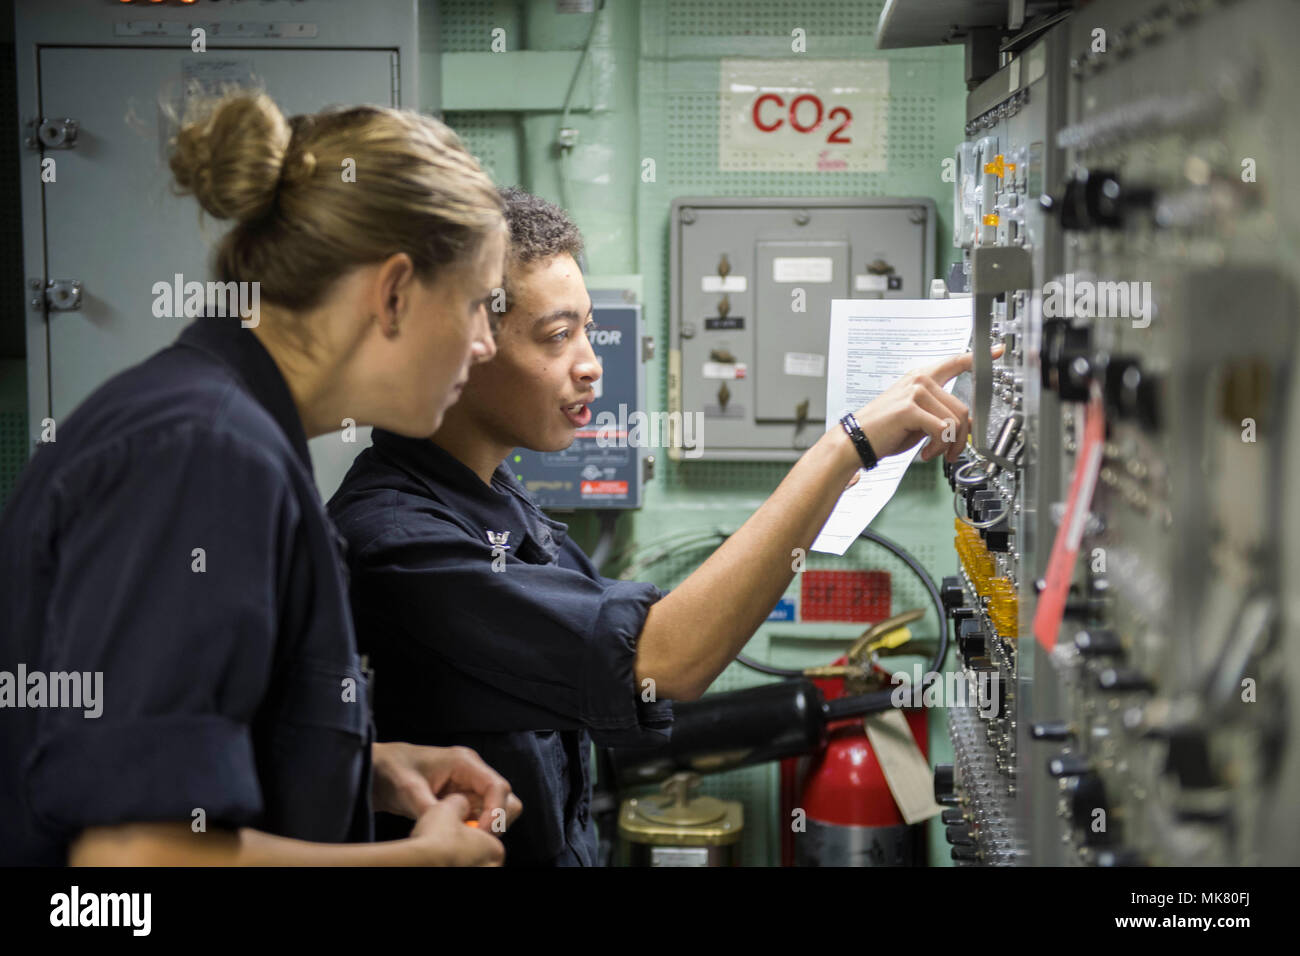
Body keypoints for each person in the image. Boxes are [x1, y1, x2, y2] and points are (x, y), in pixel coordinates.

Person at [327, 187, 977, 866]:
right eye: (556, 336)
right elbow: (664, 659)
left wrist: (833, 473)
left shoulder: (493, 500)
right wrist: (843, 446)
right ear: (463, 343)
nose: (590, 363)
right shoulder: (397, 544)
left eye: (587, 329)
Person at [0, 92, 523, 865]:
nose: (485, 344)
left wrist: (363, 768)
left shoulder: (221, 431)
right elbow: (132, 866)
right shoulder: (206, 457)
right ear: (394, 293)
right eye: (480, 304)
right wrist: (421, 862)